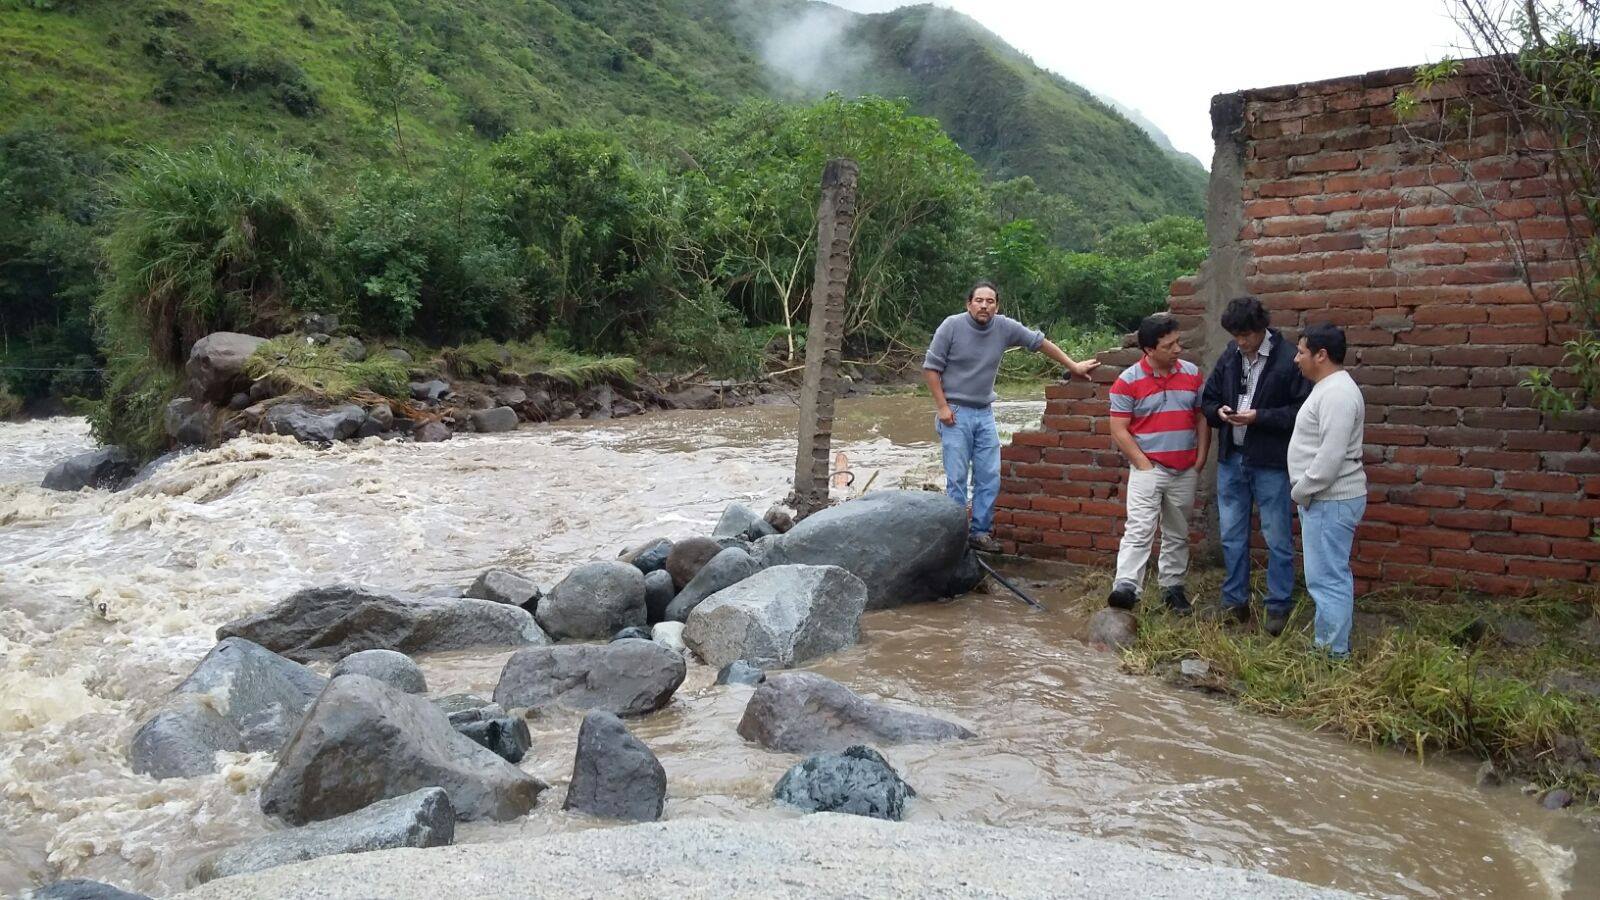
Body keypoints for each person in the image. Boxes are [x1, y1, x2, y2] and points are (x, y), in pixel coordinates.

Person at [923, 280, 1099, 552]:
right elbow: (931, 368)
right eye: (979, 300)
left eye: (990, 301)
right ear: (968, 304)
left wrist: (1073, 365)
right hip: (955, 412)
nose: (984, 305)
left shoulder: (1004, 327)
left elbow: (1039, 342)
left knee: (989, 475)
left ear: (996, 305)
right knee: (956, 478)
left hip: (984, 413)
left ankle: (980, 533)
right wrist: (942, 407)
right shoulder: (951, 326)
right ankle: (956, 539)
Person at [1200, 297, 1311, 635]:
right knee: (1231, 535)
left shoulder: (1288, 358)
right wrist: (1218, 412)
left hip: (1270, 462)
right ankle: (1234, 601)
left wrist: (1259, 417)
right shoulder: (1230, 357)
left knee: (1277, 536)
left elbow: (1302, 412)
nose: (1241, 342)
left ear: (1262, 328)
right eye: (1236, 336)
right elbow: (1208, 398)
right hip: (1232, 459)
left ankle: (1278, 606)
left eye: (1246, 335)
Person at [1106, 314, 1209, 614]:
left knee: (1177, 531)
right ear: (1149, 350)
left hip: (1185, 466)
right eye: (1169, 345)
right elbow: (1119, 429)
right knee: (1139, 529)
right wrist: (1143, 463)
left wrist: (1201, 456)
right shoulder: (1127, 382)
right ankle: (1126, 587)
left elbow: (1201, 417)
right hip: (1148, 468)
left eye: (1178, 342)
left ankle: (1172, 589)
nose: (1177, 349)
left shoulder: (1192, 373)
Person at [1289, 323, 1368, 659]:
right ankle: (1330, 647)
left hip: (1329, 498)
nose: (1296, 359)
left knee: (1327, 579)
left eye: (1302, 352)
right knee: (1326, 576)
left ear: (1321, 355)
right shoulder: (1330, 388)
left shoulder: (1336, 393)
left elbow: (1330, 457)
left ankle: (1332, 655)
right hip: (1326, 498)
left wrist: (1301, 490)